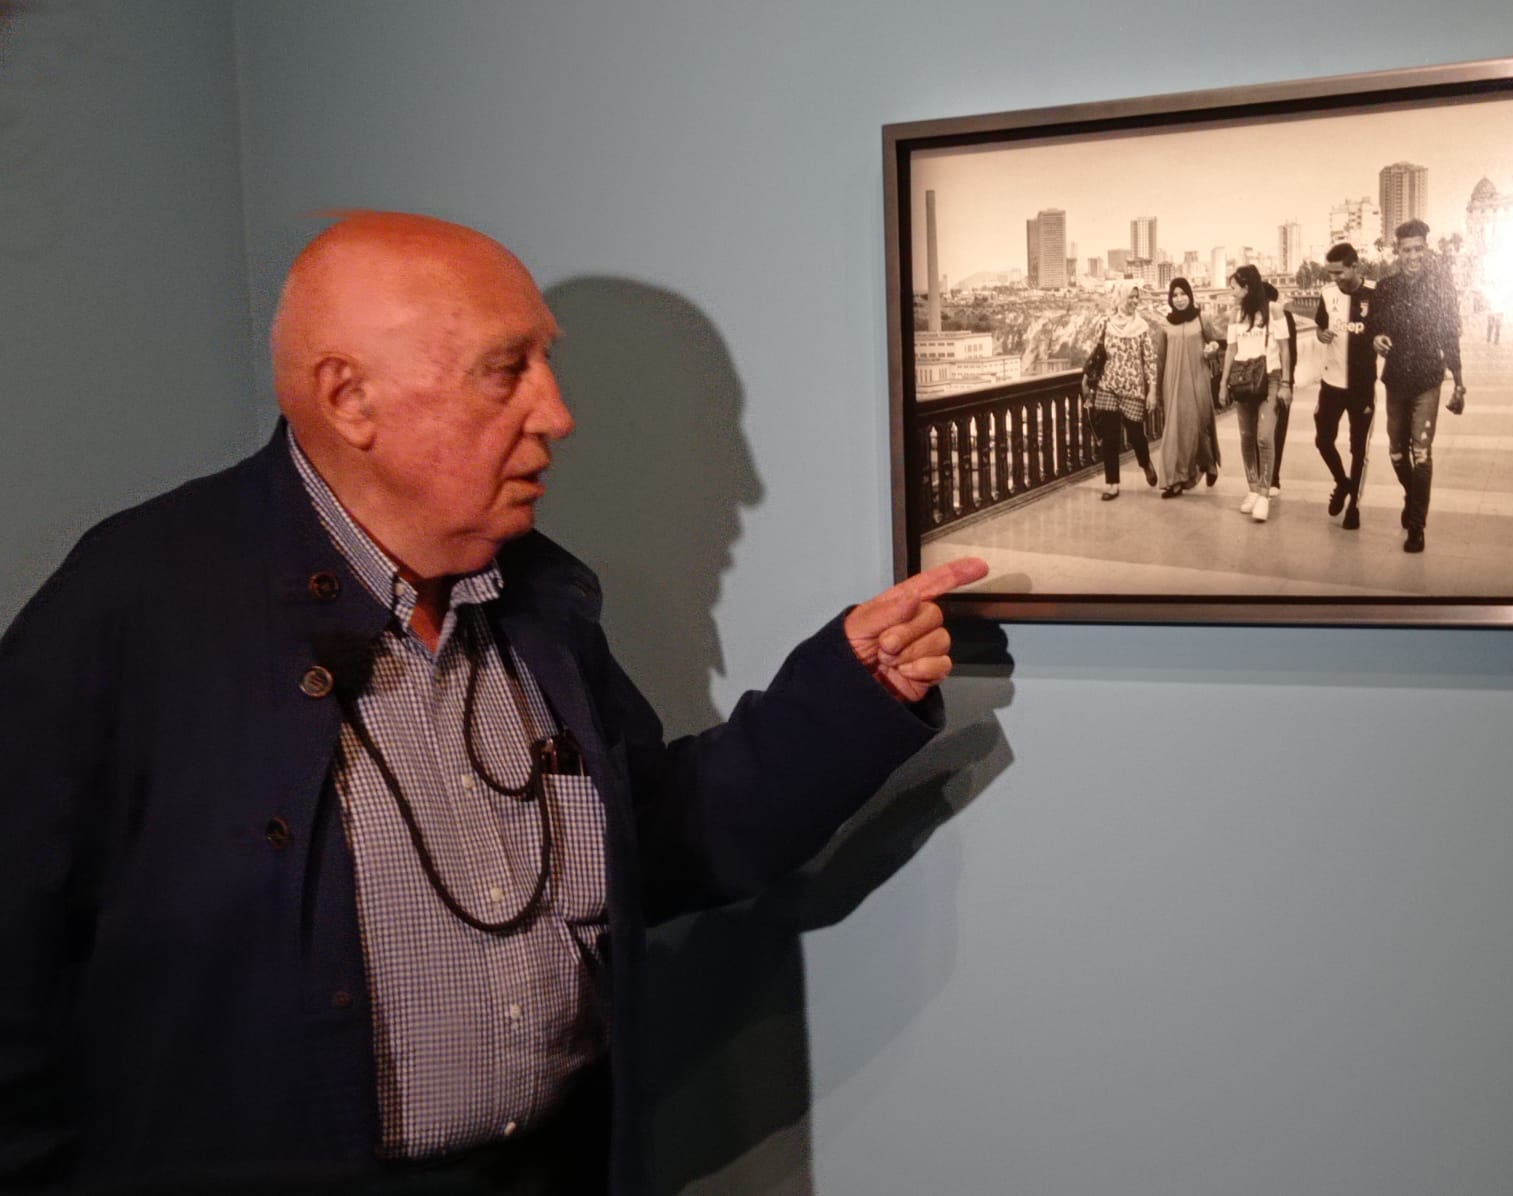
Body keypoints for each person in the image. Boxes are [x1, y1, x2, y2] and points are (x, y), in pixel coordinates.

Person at [0, 212, 988, 1194]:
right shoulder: (137, 603)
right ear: (350, 398)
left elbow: (658, 844)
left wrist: (849, 694)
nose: (556, 413)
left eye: (544, 365)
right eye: (506, 368)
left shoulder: (541, 603)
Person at [1369, 218, 1466, 553]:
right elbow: (1373, 327)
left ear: (1427, 248)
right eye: (1407, 250)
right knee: (1397, 453)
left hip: (1427, 378)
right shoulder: (1384, 289)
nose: (1413, 256)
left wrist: (1459, 381)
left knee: (1421, 453)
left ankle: (1417, 526)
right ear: (1397, 252)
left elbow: (1450, 333)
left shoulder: (1441, 286)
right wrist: (1377, 338)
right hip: (1395, 381)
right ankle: (1413, 496)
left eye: (1419, 249)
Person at [1312, 242, 1379, 531]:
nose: (1335, 278)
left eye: (1339, 272)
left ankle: (1354, 506)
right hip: (1331, 383)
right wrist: (1322, 334)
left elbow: (1386, 330)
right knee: (1322, 440)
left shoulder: (1376, 294)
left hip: (1362, 386)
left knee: (1357, 448)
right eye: (1330, 273)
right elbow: (1319, 326)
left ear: (1355, 266)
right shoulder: (1327, 294)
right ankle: (1343, 484)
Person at [1220, 264, 1292, 522]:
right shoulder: (1235, 314)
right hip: (1242, 381)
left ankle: (1264, 493)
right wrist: (1223, 383)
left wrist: (1286, 383)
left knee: (1264, 436)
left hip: (1269, 378)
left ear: (1247, 288)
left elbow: (1284, 349)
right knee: (1247, 437)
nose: (1232, 293)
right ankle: (1252, 489)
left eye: (1234, 288)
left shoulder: (1273, 309)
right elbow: (1230, 349)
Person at [1088, 279, 1160, 501]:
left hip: (1133, 388)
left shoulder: (1142, 327)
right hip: (1107, 386)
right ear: (1120, 298)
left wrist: (1152, 390)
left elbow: (1149, 360)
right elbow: (1097, 352)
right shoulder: (1106, 323)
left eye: (1137, 297)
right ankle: (1112, 483)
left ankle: (1145, 462)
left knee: (1136, 434)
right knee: (1110, 437)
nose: (1135, 301)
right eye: (1131, 296)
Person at [1154, 277, 1223, 498]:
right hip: (1173, 384)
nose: (1179, 299)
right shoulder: (1165, 325)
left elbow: (1217, 344)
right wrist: (1156, 391)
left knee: (1199, 427)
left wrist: (1212, 349)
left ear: (1190, 295)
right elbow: (1160, 360)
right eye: (1174, 295)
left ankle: (1209, 463)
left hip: (1198, 380)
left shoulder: (1202, 319)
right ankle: (1175, 480)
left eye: (1183, 293)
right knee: (1175, 431)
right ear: (1170, 299)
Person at [1262, 281, 1298, 498]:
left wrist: (1287, 383)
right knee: (1266, 432)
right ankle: (1268, 476)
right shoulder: (1254, 318)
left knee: (1277, 429)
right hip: (1262, 382)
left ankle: (1273, 476)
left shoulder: (1285, 317)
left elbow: (1290, 353)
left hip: (1281, 381)